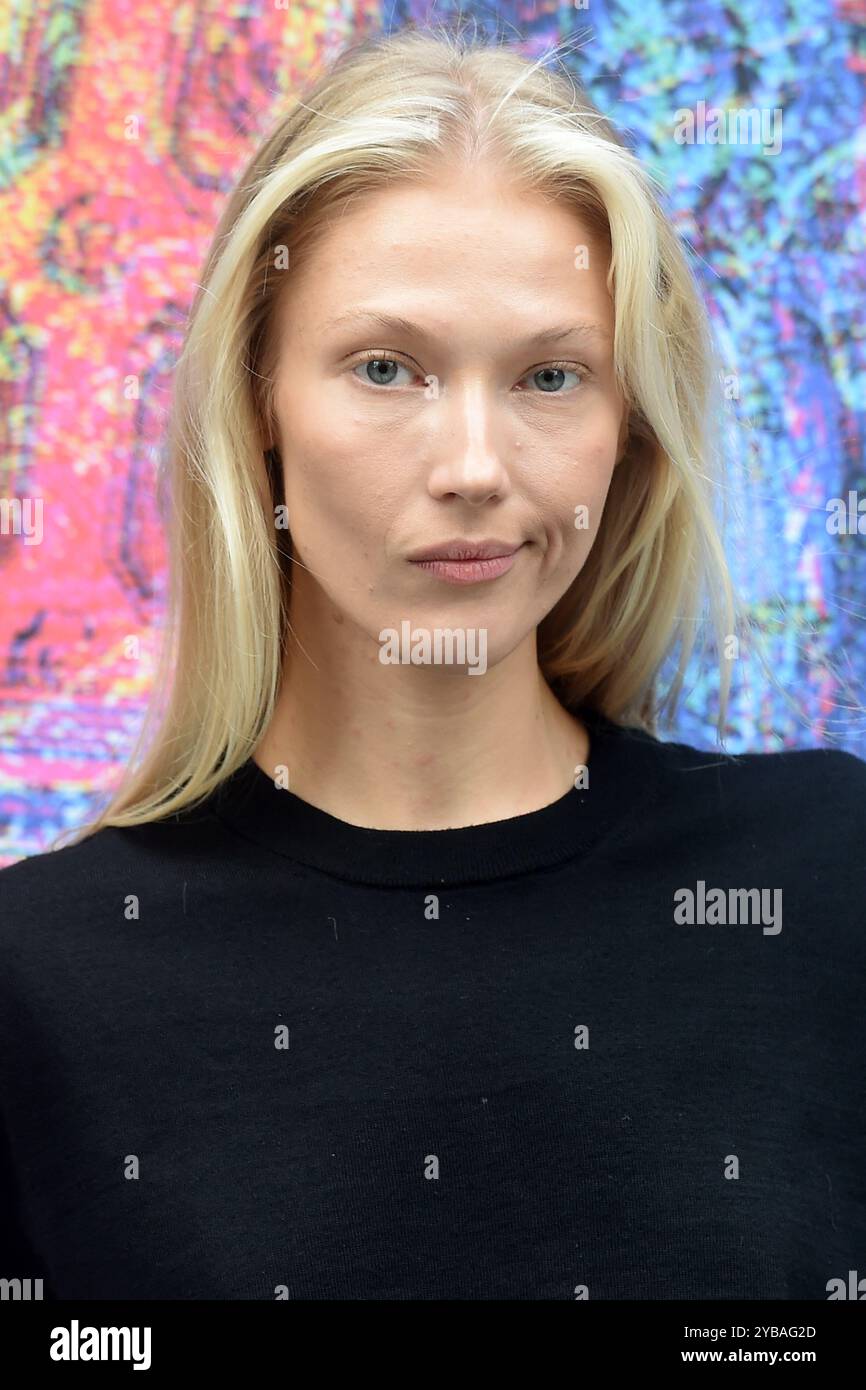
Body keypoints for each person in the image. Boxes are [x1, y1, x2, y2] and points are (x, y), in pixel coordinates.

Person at [1, 26, 863, 1302]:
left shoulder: (825, 878)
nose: (473, 465)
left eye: (550, 375)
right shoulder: (39, 982)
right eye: (386, 367)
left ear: (628, 424)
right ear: (258, 405)